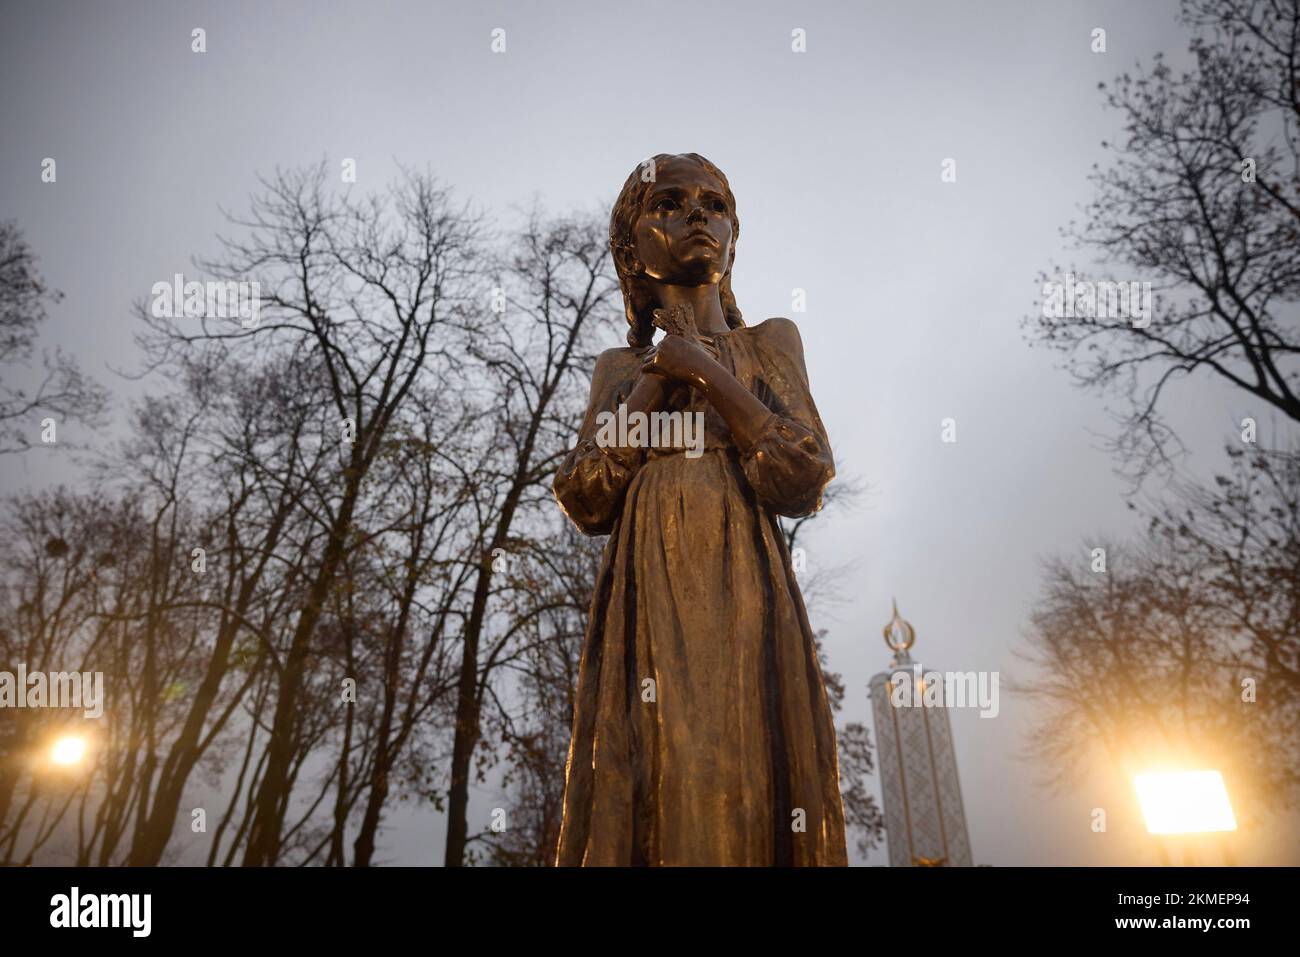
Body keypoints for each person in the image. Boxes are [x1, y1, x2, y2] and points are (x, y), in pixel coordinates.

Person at [552, 153, 847, 866]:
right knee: (656, 758)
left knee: (738, 750)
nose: (698, 216)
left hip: (741, 573)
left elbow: (801, 471)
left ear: (733, 239)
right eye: (671, 203)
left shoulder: (770, 342)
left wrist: (708, 372)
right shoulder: (617, 372)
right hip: (647, 587)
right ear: (631, 248)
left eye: (715, 205)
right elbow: (588, 492)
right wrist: (657, 382)